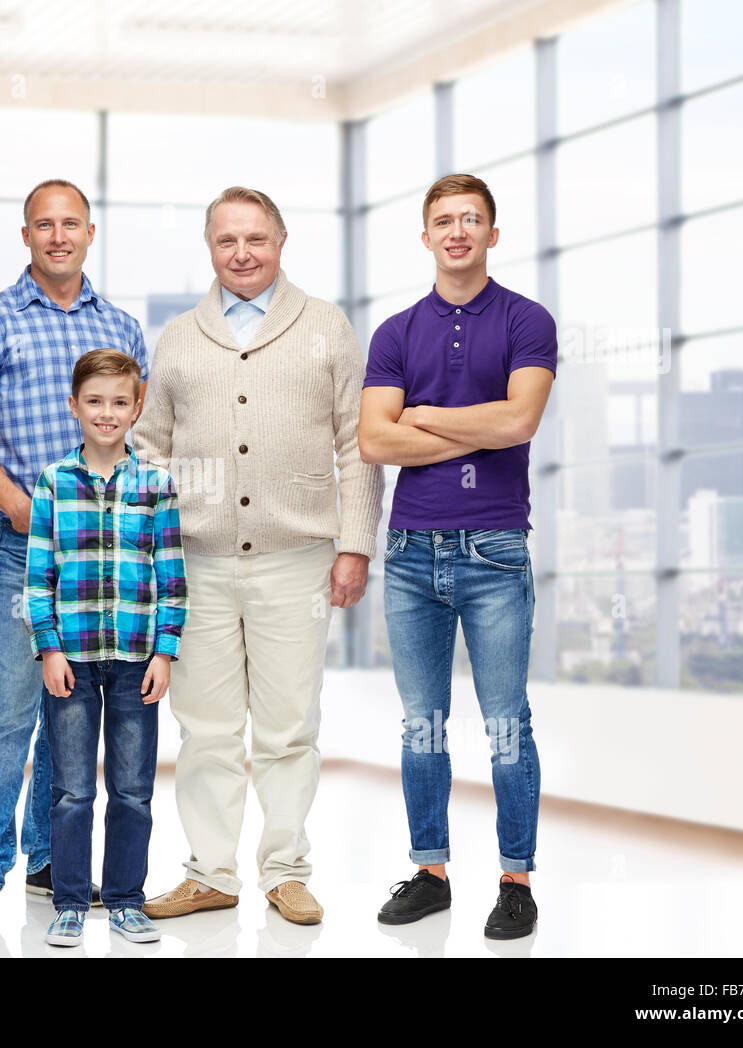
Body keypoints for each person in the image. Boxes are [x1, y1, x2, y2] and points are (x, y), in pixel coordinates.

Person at [135, 186, 384, 925]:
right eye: (225, 241)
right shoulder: (180, 334)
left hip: (298, 559)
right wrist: (151, 546)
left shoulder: (327, 327)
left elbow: (357, 443)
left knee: (287, 726)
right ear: (209, 248)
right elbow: (149, 444)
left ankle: (285, 871)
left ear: (281, 240)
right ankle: (210, 871)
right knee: (205, 727)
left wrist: (355, 545)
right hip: (196, 562)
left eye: (255, 239)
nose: (241, 253)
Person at [0, 180, 149, 932]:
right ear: (25, 234)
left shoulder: (122, 326)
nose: (58, 236)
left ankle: (47, 859)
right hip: (21, 544)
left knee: (74, 707)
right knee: (10, 710)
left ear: (90, 232)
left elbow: (134, 431)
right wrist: (25, 510)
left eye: (70, 224)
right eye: (43, 225)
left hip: (103, 555)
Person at [358, 173, 557, 940]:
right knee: (421, 726)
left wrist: (429, 416)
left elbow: (521, 422)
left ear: (492, 235)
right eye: (444, 220)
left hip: (495, 550)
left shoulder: (526, 320)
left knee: (506, 723)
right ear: (427, 236)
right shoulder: (397, 332)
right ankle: (431, 871)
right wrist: (483, 422)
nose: (458, 231)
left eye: (472, 219)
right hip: (410, 554)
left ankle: (516, 881)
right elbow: (376, 440)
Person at [24, 349, 188, 947]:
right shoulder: (52, 482)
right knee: (70, 790)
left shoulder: (156, 485)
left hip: (135, 658)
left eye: (120, 402)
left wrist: (165, 651)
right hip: (72, 655)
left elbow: (171, 575)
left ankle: (124, 900)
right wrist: (49, 649)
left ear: (137, 407)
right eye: (95, 401)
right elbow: (38, 576)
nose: (107, 412)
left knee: (133, 789)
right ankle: (69, 902)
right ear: (74, 406)